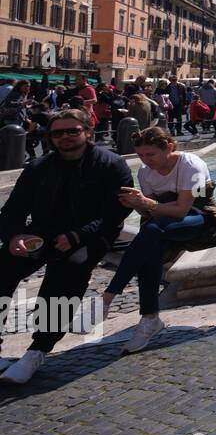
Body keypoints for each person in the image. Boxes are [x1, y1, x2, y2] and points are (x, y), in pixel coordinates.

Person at [0, 109, 133, 384]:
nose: (65, 137)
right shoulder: (38, 167)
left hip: (89, 237)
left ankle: (38, 350)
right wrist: (13, 237)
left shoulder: (112, 165)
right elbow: (12, 210)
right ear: (50, 138)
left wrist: (77, 235)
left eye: (72, 130)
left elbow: (116, 214)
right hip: (42, 233)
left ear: (87, 131)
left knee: (65, 279)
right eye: (58, 133)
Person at [100, 127, 213, 353]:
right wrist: (138, 205)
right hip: (161, 224)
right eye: (141, 155)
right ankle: (149, 318)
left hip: (200, 219)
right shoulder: (144, 172)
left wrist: (147, 205)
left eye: (150, 154)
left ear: (170, 147)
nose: (145, 160)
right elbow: (153, 213)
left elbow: (182, 210)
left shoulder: (190, 164)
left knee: (150, 233)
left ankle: (110, 295)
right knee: (150, 247)